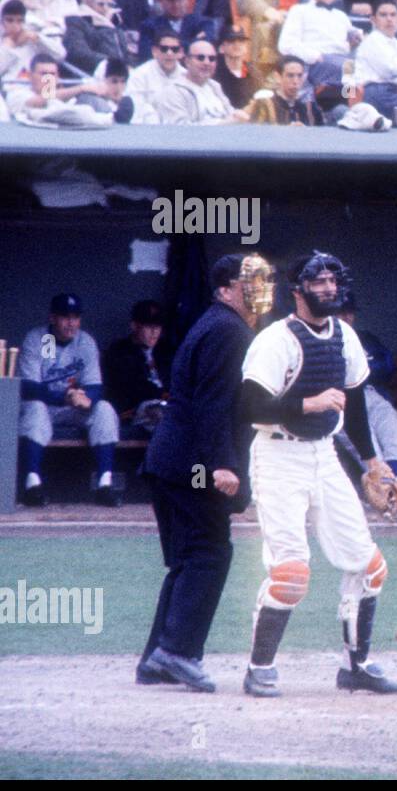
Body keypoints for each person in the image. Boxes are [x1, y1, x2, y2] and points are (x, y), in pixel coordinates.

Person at [238, 252, 397, 699]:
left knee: (369, 567)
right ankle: (260, 668)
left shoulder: (344, 336)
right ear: (298, 290)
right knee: (291, 574)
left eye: (334, 280)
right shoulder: (276, 340)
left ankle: (358, 666)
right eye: (320, 282)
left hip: (324, 454)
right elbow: (250, 406)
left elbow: (354, 406)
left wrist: (372, 461)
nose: (330, 288)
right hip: (278, 457)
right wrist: (305, 404)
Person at [136, 255, 272, 691]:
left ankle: (158, 658)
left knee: (187, 560)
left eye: (263, 280)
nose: (259, 288)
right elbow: (211, 405)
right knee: (210, 552)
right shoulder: (230, 331)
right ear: (226, 288)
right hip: (192, 465)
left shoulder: (218, 323)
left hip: (173, 462)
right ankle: (176, 652)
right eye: (249, 281)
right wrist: (223, 465)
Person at [16, 292, 121, 508]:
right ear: (52, 318)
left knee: (103, 409)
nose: (71, 323)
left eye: (75, 317)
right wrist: (65, 396)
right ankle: (32, 486)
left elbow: (94, 386)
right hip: (46, 407)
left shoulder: (85, 342)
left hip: (72, 407)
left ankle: (105, 485)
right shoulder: (41, 340)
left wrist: (86, 398)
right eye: (65, 317)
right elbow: (30, 387)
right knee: (35, 408)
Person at [334, 292, 397, 512]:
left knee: (389, 422)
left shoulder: (366, 339)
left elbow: (386, 368)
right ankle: (388, 489)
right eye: (342, 311)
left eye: (349, 312)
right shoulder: (323, 340)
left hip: (369, 393)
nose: (347, 316)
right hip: (339, 397)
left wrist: (366, 371)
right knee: (367, 437)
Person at [277, 0, 361, 95]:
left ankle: (348, 104)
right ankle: (345, 98)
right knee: (351, 71)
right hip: (317, 63)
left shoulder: (341, 16)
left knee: (361, 72)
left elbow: (354, 35)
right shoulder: (300, 11)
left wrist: (356, 37)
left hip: (343, 62)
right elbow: (286, 45)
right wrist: (315, 56)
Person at [103, 300, 172, 439]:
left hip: (167, 404)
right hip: (134, 410)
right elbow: (133, 390)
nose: (154, 332)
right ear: (135, 326)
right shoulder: (120, 351)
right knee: (162, 415)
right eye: (148, 326)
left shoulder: (165, 351)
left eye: (157, 326)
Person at [157, 38, 249, 124]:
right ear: (187, 61)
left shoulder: (215, 86)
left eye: (211, 59)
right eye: (200, 58)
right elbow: (178, 133)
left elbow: (231, 115)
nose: (206, 62)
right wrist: (224, 124)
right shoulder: (172, 92)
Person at [139, 0, 218, 64]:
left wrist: (164, 48)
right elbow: (146, 57)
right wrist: (193, 41)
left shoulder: (203, 23)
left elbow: (205, 51)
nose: (176, 4)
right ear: (161, 0)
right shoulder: (149, 26)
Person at [63, 0, 132, 75]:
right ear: (88, 2)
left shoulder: (113, 25)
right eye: (101, 4)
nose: (106, 9)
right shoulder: (75, 21)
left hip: (117, 75)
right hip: (88, 74)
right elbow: (80, 54)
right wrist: (115, 64)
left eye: (110, 5)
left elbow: (123, 55)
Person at [253, 54, 325, 124]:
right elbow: (257, 134)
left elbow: (322, 135)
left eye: (299, 76)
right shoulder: (264, 105)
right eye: (290, 76)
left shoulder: (311, 109)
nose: (295, 81)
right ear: (278, 77)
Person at [215, 24, 257, 108]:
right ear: (221, 48)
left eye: (241, 41)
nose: (237, 44)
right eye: (231, 41)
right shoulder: (215, 74)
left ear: (246, 46)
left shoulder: (254, 73)